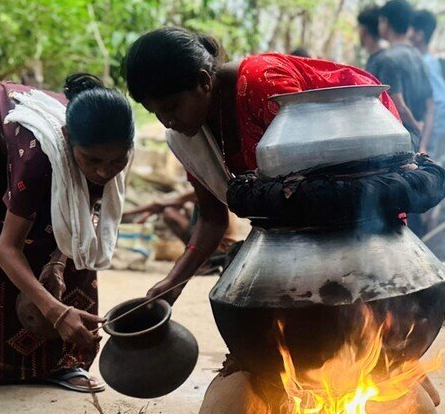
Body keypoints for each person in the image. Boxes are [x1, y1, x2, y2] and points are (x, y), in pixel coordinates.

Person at [122, 27, 401, 305]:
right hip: (300, 226)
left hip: (357, 198)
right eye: (155, 112)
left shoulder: (261, 84)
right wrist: (173, 282)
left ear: (203, 82)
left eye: (171, 107)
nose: (166, 122)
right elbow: (211, 219)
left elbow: (322, 184)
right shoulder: (190, 138)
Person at [0, 74, 134, 401]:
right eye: (92, 160)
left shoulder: (113, 147)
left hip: (37, 148)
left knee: (71, 243)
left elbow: (81, 220)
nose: (103, 171)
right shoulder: (36, 157)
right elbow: (6, 249)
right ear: (68, 141)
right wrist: (56, 312)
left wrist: (57, 261)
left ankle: (65, 362)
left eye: (115, 161)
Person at [374, 0, 435, 151]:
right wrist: (423, 144)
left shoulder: (388, 60)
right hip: (416, 144)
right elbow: (431, 107)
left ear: (385, 23)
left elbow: (399, 107)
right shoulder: (419, 58)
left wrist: (415, 128)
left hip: (397, 147)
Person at [410, 8, 445, 159]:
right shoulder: (427, 60)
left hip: (430, 131)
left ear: (419, 35)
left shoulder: (425, 63)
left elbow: (442, 101)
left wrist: (428, 136)